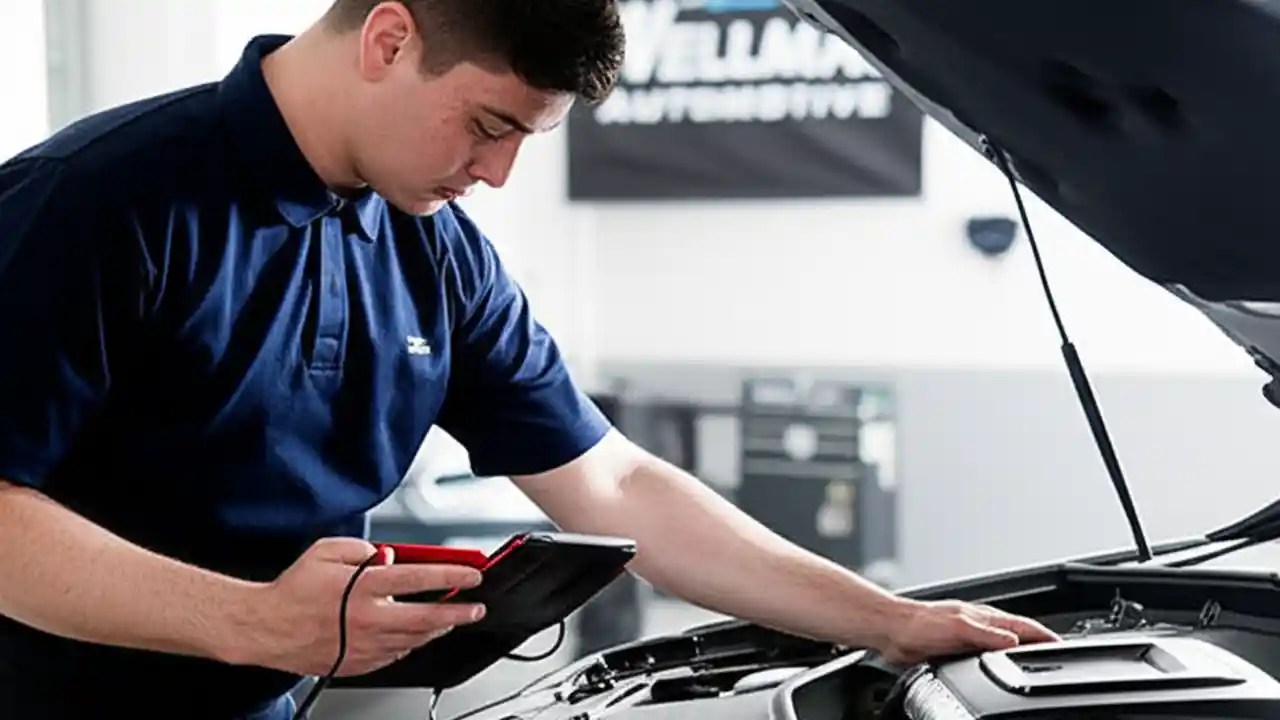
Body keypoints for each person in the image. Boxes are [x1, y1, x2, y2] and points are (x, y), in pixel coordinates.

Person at [0, 1, 1058, 717]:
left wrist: (893, 619)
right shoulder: (94, 202)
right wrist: (256, 622)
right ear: (386, 38)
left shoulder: (436, 252)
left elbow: (613, 483)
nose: (497, 175)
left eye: (525, 142)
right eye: (487, 125)